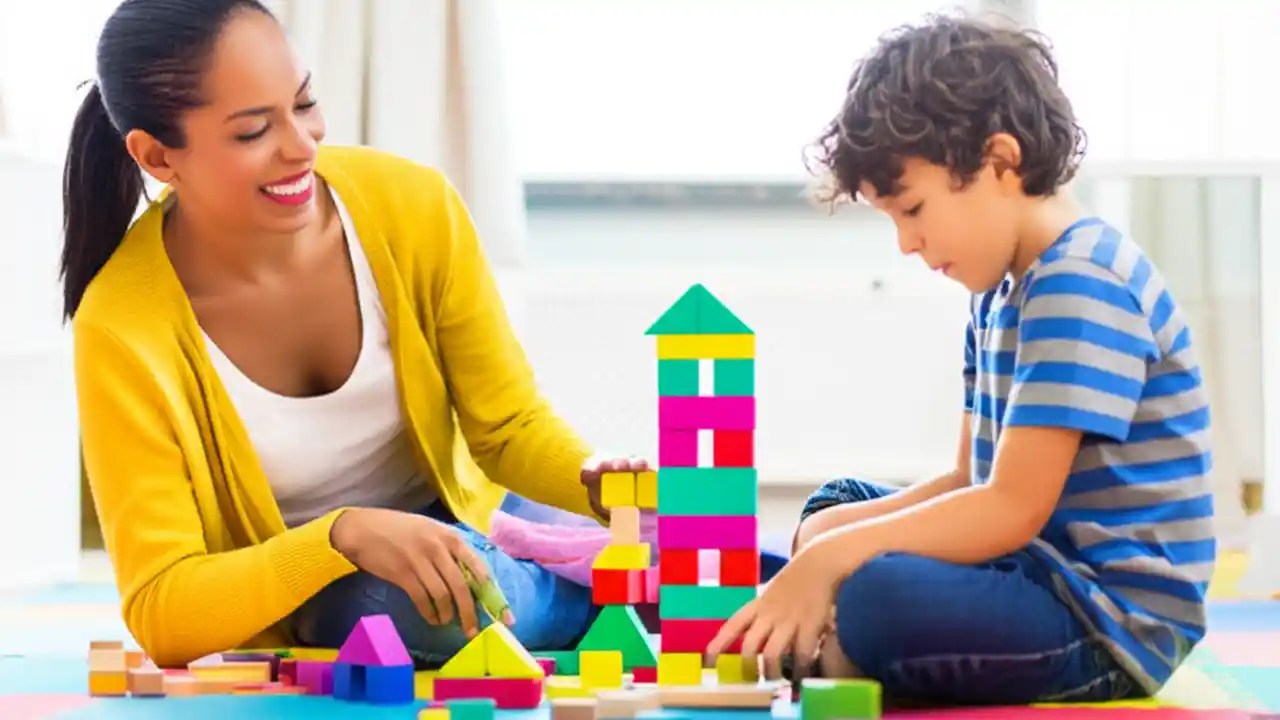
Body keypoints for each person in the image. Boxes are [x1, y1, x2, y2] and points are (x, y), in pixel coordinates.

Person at [66, 0, 646, 669]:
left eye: (304, 103)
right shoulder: (121, 325)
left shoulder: (413, 205)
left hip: (479, 517)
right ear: (158, 156)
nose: (302, 145)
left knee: (707, 542)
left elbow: (507, 427)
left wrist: (592, 481)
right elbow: (163, 605)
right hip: (335, 584)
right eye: (254, 131)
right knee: (397, 607)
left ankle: (609, 574)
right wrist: (340, 537)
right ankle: (607, 590)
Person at [706, 13, 1215, 706]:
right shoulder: (1000, 288)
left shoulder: (1084, 283)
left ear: (1000, 162)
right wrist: (829, 538)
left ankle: (823, 630)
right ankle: (807, 620)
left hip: (1103, 621)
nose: (906, 245)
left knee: (877, 592)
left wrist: (831, 559)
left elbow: (1009, 509)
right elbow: (970, 478)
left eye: (913, 209)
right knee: (835, 505)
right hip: (1029, 566)